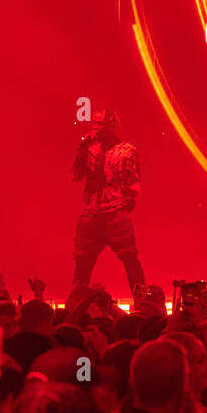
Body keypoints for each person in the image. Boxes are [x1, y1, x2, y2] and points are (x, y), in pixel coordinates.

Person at [70, 108, 146, 295]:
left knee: (130, 259)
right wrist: (82, 152)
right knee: (82, 263)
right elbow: (75, 175)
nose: (95, 128)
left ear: (111, 126)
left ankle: (144, 302)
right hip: (91, 212)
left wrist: (127, 200)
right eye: (93, 123)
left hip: (115, 212)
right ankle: (76, 305)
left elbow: (134, 184)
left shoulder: (126, 151)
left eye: (100, 124)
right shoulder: (89, 148)